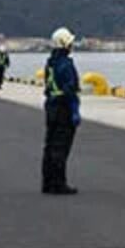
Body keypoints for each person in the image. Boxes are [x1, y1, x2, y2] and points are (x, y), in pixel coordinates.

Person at [42, 27, 81, 195]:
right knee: (61, 146)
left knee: (50, 145)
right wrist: (74, 110)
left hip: (51, 105)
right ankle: (59, 183)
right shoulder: (66, 64)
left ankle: (48, 182)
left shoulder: (50, 63)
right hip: (63, 106)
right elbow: (70, 89)